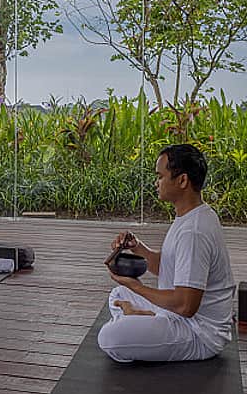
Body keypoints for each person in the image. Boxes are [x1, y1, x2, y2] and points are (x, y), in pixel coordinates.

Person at [97, 143, 235, 363]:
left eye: (160, 176)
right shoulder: (191, 215)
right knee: (118, 295)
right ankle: (141, 318)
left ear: (182, 180)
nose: (156, 183)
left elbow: (185, 306)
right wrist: (138, 247)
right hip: (178, 313)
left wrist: (138, 287)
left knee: (108, 338)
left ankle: (140, 320)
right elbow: (167, 267)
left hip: (198, 332)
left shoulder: (194, 231)